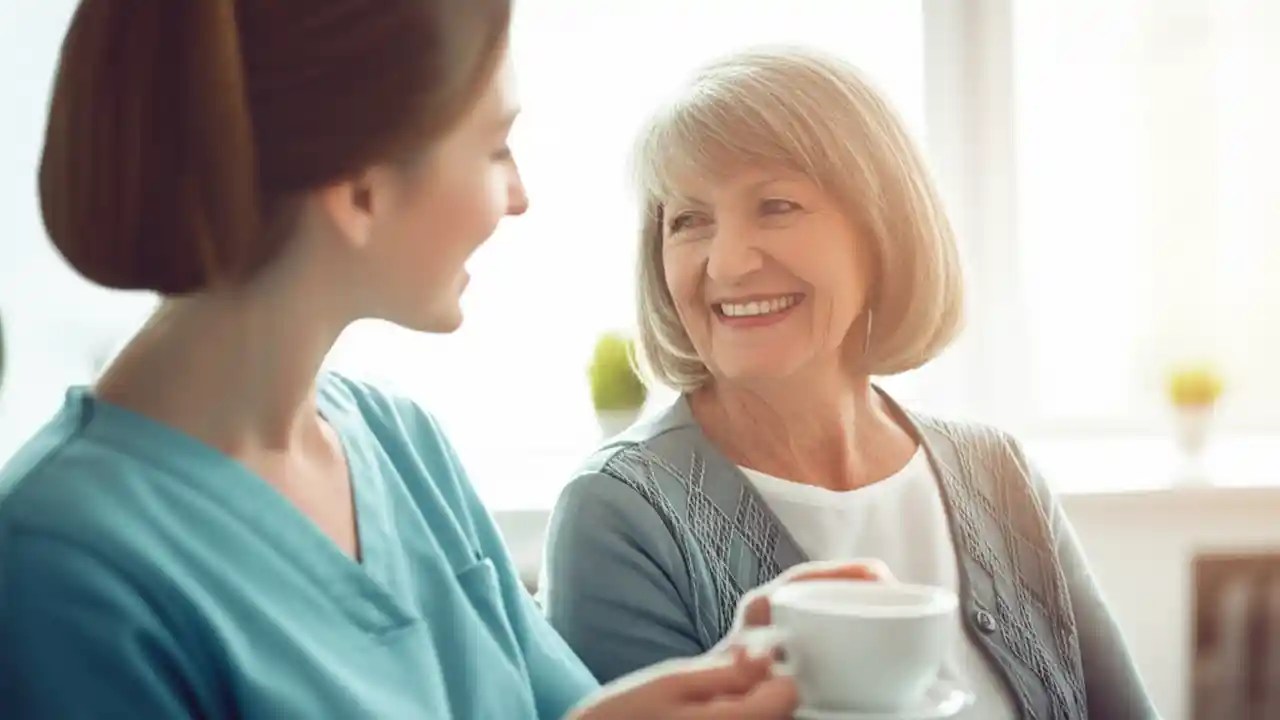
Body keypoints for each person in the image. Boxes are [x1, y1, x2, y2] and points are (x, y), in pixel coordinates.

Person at [0, 3, 815, 717]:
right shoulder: (58, 567)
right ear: (361, 192)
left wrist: (728, 675)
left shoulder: (398, 444)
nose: (519, 193)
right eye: (496, 148)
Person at [542, 46, 1160, 719]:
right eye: (690, 221)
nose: (728, 261)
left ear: (882, 232)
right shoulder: (620, 513)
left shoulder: (997, 473)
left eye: (776, 206)